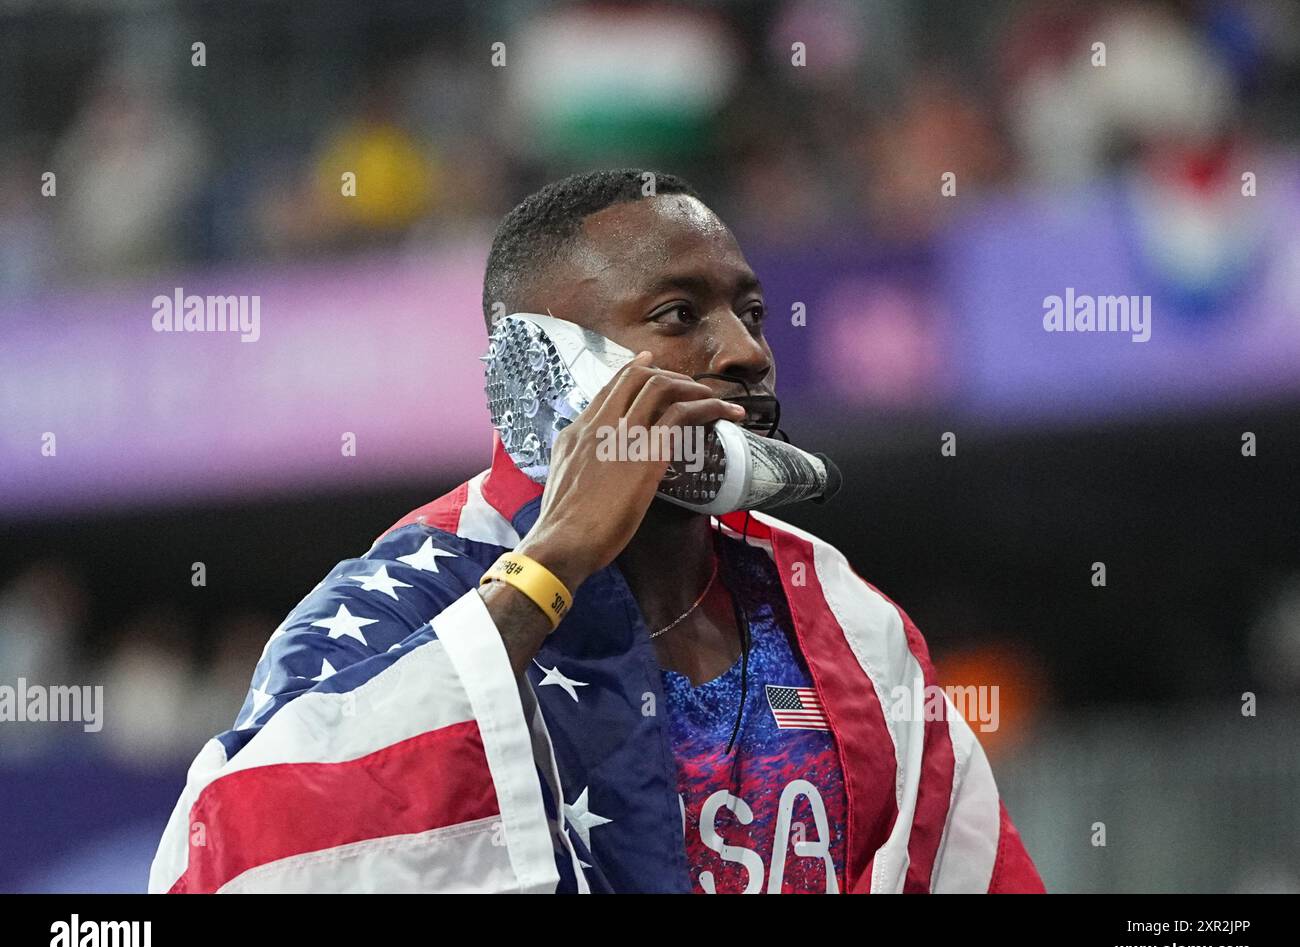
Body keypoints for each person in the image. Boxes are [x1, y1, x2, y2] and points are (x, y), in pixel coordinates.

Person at [149, 169, 1044, 894]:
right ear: (536, 365)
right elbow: (241, 858)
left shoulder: (843, 612)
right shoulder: (395, 603)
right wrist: (555, 560)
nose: (746, 353)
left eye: (752, 314)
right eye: (679, 316)